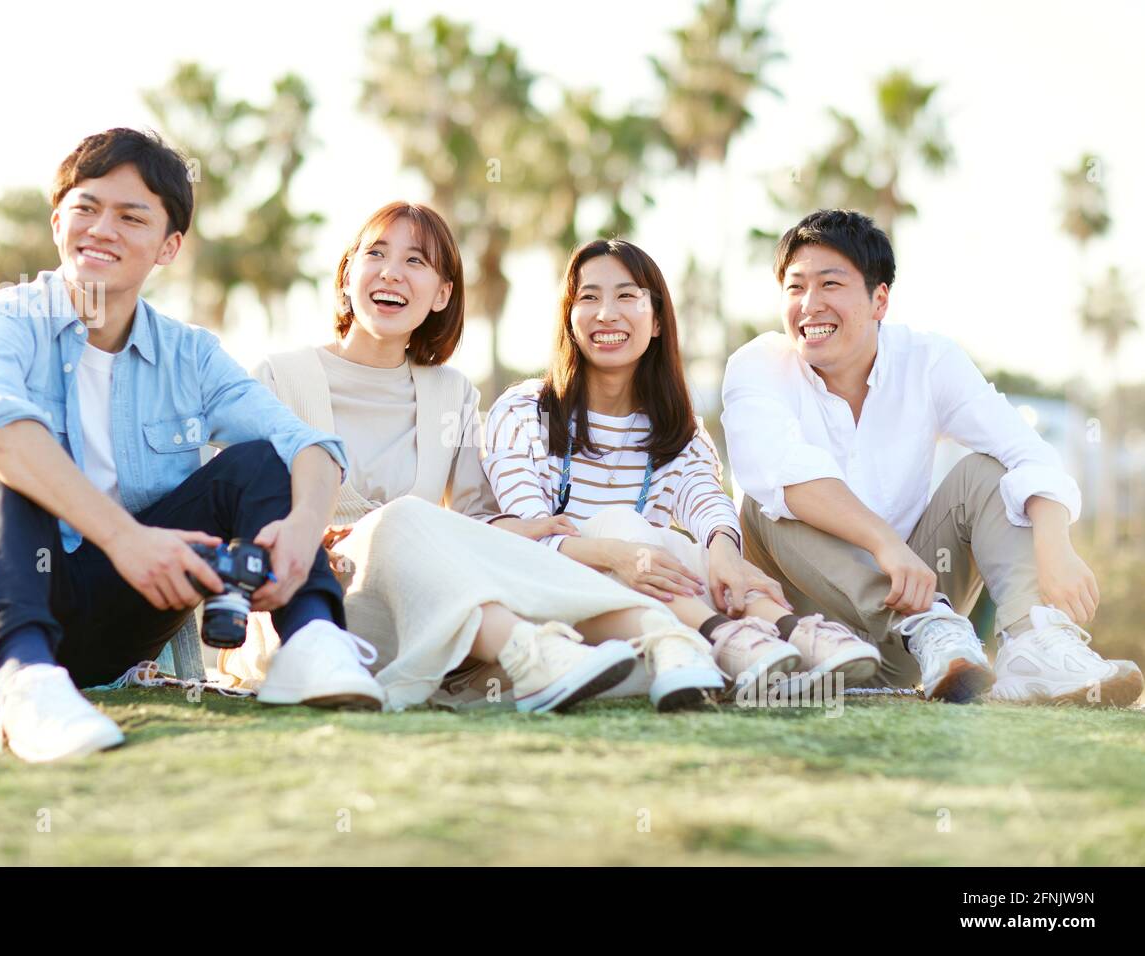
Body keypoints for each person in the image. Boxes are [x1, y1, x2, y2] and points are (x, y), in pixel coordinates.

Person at [0, 128, 361, 762]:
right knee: (17, 466)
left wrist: (305, 529)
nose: (102, 229)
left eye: (131, 216)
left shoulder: (189, 354)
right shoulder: (2, 324)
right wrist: (125, 538)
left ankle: (310, 640)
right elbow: (0, 434)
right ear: (58, 221)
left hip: (106, 623)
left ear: (169, 247)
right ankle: (26, 688)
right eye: (86, 208)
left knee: (263, 462)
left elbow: (309, 445)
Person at [218, 202, 725, 712]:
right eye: (376, 253)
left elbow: (473, 523)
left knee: (503, 541)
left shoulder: (450, 392)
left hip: (421, 610)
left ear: (442, 295)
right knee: (402, 517)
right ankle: (537, 655)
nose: (392, 272)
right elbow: (239, 502)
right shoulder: (280, 376)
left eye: (416, 261)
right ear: (348, 274)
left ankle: (665, 639)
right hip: (314, 614)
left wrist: (543, 532)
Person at [721, 208, 1142, 705]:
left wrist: (1056, 542)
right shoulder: (757, 366)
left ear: (880, 300)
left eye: (830, 284)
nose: (810, 305)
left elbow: (1025, 451)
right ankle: (928, 625)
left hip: (918, 644)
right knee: (769, 503)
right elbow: (779, 470)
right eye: (795, 288)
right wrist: (885, 544)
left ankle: (1034, 645)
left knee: (985, 473)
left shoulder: (928, 360)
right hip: (810, 640)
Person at [484, 238, 880, 695]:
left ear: (655, 322)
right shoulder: (525, 411)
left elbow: (707, 499)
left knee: (705, 555)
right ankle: (724, 635)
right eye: (588, 297)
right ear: (570, 320)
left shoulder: (677, 428)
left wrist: (724, 552)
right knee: (624, 527)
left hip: (653, 613)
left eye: (626, 296)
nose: (606, 313)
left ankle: (793, 633)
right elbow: (531, 535)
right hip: (555, 615)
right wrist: (618, 553)